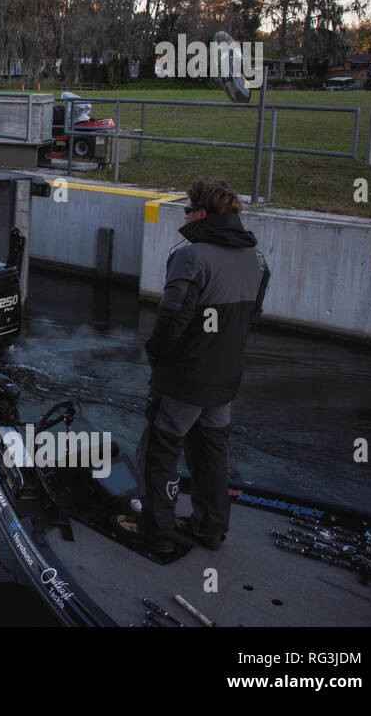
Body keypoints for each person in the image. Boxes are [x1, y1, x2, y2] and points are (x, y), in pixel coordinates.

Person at [117, 177, 270, 554]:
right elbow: (254, 317)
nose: (183, 215)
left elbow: (172, 319)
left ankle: (154, 526)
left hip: (185, 379)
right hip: (225, 377)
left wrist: (154, 353)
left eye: (186, 208)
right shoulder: (257, 259)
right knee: (211, 451)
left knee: (160, 450)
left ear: (203, 213)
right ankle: (210, 526)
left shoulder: (191, 256)